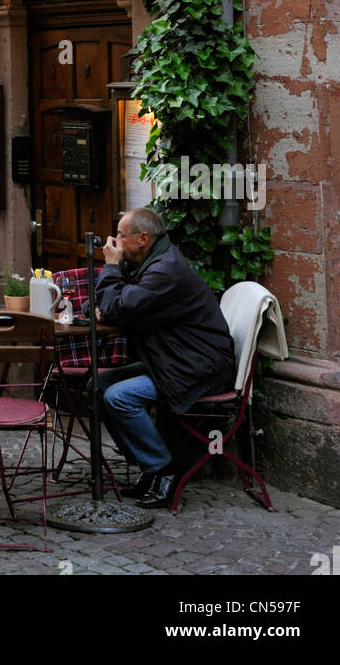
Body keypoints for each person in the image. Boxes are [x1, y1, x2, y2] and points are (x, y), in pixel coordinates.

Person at [93, 207, 236, 509]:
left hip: (197, 366)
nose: (114, 241)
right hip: (173, 359)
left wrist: (110, 267)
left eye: (121, 234)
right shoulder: (148, 262)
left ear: (142, 238)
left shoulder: (164, 270)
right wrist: (104, 302)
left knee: (119, 396)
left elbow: (118, 307)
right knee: (98, 384)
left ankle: (163, 469)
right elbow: (112, 304)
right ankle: (148, 465)